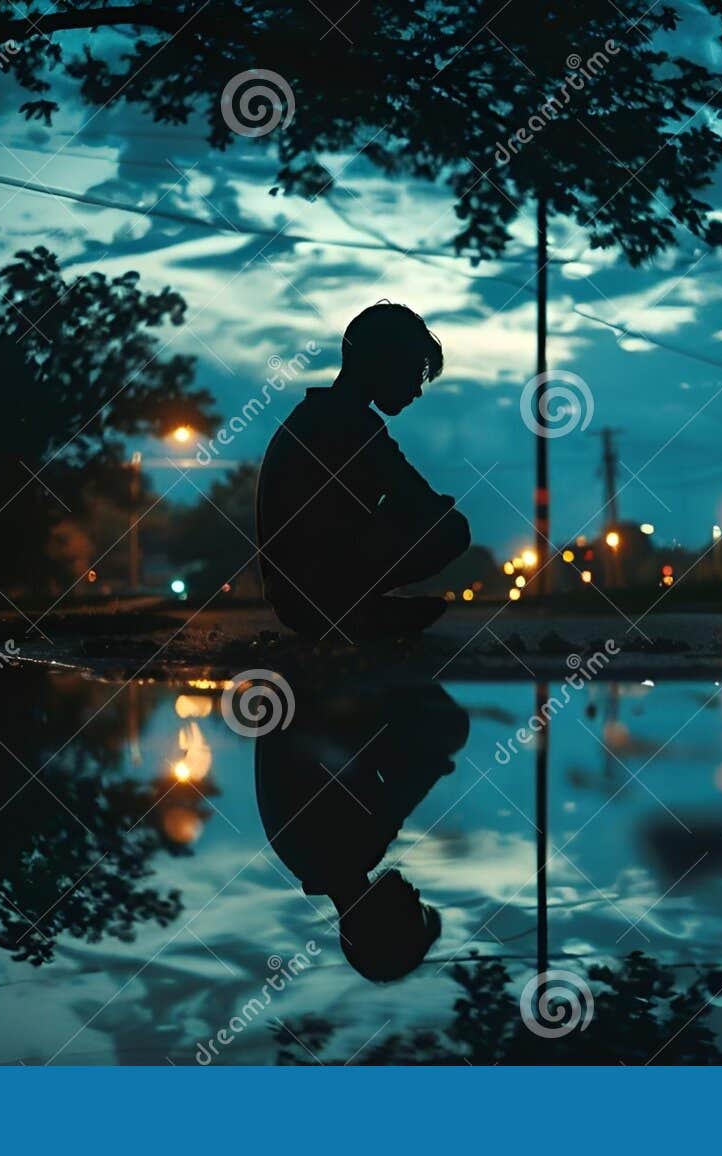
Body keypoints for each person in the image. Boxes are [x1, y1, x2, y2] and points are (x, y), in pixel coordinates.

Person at [256, 302, 470, 641]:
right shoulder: (351, 424)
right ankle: (351, 613)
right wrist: (425, 508)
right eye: (414, 374)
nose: (417, 391)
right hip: (310, 588)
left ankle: (357, 612)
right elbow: (420, 499)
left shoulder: (315, 414)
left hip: (290, 596)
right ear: (384, 365)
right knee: (451, 529)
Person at [255, 680, 470, 981]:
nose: (416, 894)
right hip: (293, 705)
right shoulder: (313, 864)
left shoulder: (352, 853)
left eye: (413, 911)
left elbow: (411, 785)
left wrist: (434, 765)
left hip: (315, 698)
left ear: (385, 923)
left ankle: (370, 665)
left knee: (451, 729)